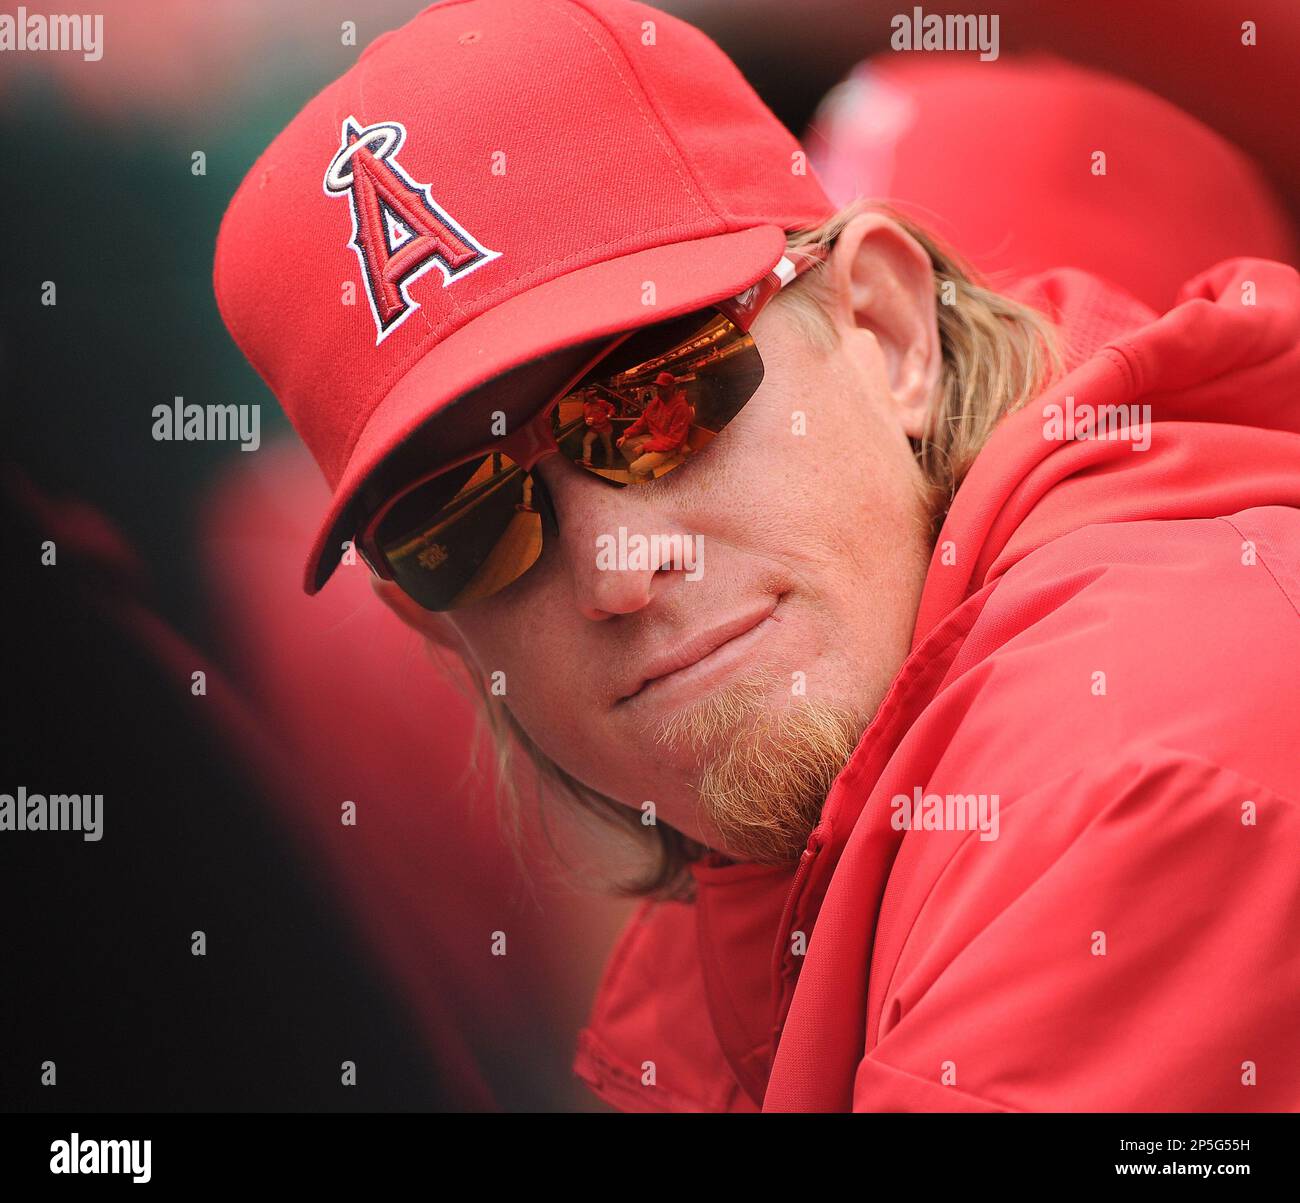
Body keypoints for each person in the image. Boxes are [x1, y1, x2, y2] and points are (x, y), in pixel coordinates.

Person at [214, 0, 1300, 1112]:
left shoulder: (1130, 751)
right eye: (465, 528)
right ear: (434, 628)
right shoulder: (821, 827)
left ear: (885, 332)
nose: (613, 575)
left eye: (658, 401)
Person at [616, 371, 692, 481]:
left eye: (663, 387)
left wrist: (645, 447)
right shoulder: (657, 401)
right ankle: (646, 475)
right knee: (623, 444)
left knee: (634, 468)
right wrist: (626, 435)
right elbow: (643, 420)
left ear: (672, 387)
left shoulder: (681, 407)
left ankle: (643, 473)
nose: (659, 391)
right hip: (655, 439)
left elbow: (673, 441)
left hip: (670, 447)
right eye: (658, 387)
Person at [578, 388, 617, 467]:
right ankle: (586, 461)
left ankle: (609, 464)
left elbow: (612, 408)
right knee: (586, 441)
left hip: (605, 428)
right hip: (593, 429)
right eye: (592, 396)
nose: (595, 397)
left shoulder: (602, 403)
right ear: (588, 398)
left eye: (595, 395)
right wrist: (587, 421)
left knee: (608, 446)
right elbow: (585, 416)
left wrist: (609, 415)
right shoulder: (585, 406)